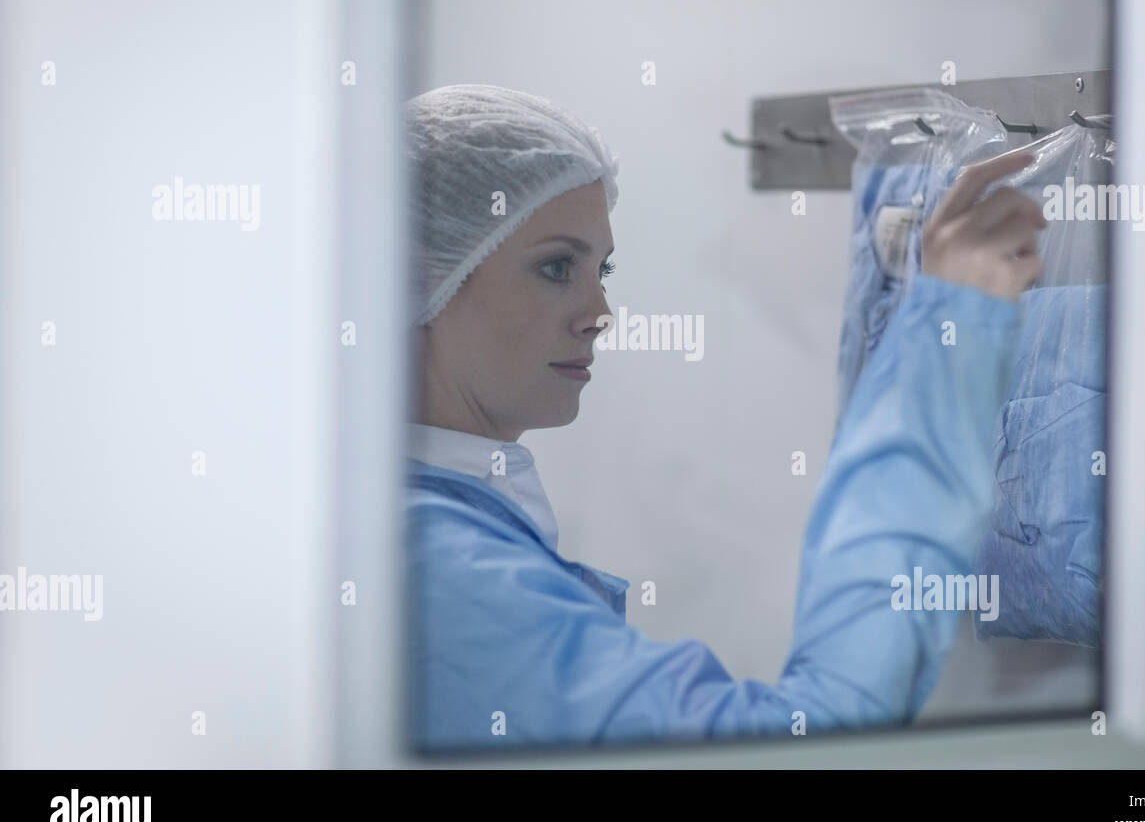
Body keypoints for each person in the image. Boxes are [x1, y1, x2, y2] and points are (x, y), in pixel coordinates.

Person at [405, 83, 1044, 750]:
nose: (601, 314)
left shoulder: (445, 512)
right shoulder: (441, 565)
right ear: (419, 275)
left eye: (604, 269)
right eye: (557, 266)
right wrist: (951, 331)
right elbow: (809, 738)